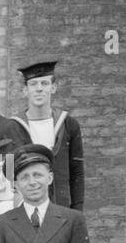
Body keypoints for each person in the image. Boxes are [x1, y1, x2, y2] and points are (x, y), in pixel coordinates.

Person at [10, 60, 84, 210]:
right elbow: (8, 173)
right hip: (25, 209)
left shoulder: (68, 125)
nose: (39, 89)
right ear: (25, 90)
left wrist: (77, 211)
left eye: (44, 83)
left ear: (53, 87)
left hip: (60, 207)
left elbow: (77, 173)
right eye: (33, 84)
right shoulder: (12, 126)